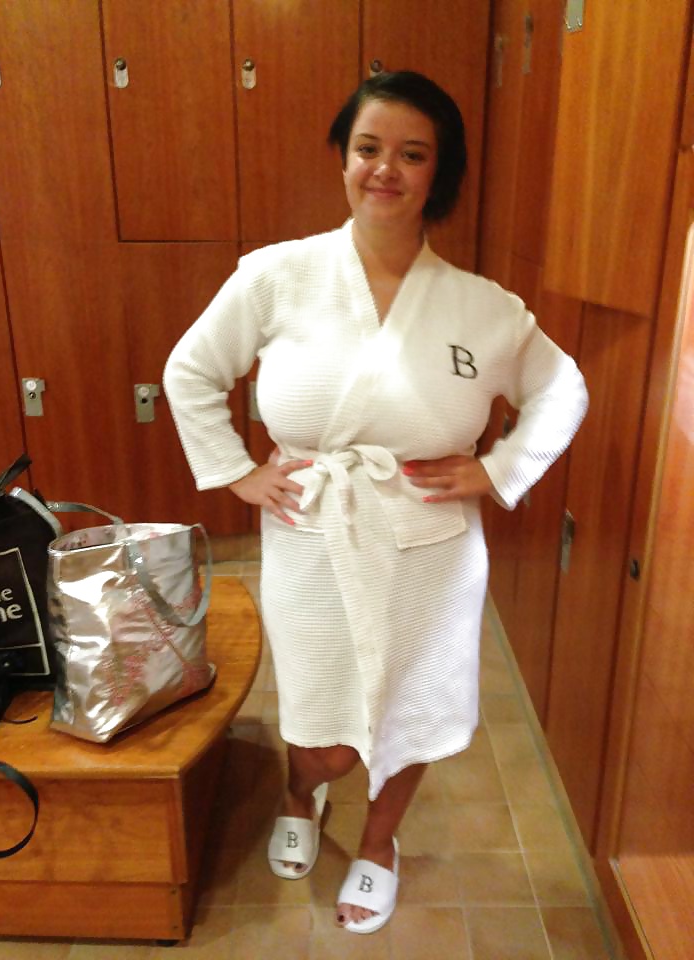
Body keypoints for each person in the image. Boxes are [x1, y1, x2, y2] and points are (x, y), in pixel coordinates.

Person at [163, 70, 588, 934]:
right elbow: (192, 370)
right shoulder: (278, 275)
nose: (385, 168)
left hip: (428, 541)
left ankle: (380, 841)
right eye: (368, 148)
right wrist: (235, 471)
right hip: (312, 529)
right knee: (318, 706)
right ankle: (303, 788)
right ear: (344, 158)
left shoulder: (482, 307)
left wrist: (501, 468)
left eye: (412, 154)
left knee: (410, 701)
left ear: (440, 173)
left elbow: (562, 388)